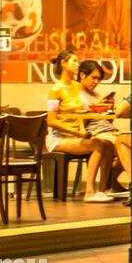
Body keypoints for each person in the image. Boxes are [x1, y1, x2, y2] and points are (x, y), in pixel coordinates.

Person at [45, 49, 115, 202]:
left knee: (106, 144)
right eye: (74, 61)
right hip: (58, 139)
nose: (78, 65)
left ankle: (104, 188)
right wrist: (78, 134)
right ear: (64, 64)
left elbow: (79, 114)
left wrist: (98, 108)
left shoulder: (76, 86)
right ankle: (89, 192)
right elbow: (51, 121)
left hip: (75, 135)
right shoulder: (55, 90)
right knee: (97, 145)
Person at [78, 59, 131, 191]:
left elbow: (106, 121)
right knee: (126, 145)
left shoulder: (97, 95)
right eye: (93, 78)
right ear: (82, 75)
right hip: (95, 133)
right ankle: (107, 185)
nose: (96, 82)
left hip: (109, 129)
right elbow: (79, 123)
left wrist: (109, 109)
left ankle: (111, 181)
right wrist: (95, 108)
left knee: (130, 143)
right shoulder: (76, 96)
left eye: (99, 79)